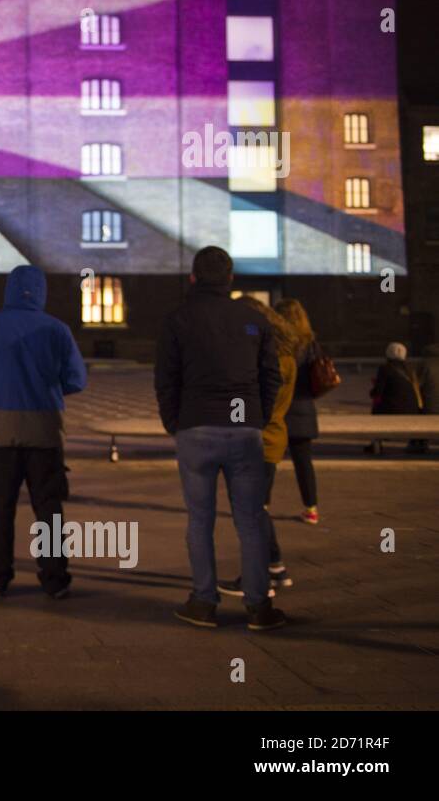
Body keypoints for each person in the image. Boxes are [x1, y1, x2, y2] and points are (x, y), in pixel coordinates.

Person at [154, 247, 285, 631]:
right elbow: (270, 376)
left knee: (200, 520)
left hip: (196, 426)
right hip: (243, 427)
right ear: (230, 279)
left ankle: (203, 601)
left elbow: (166, 379)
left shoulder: (178, 319)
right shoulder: (253, 319)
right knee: (251, 519)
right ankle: (259, 606)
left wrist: (175, 422)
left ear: (193, 278)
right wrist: (255, 418)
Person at [0, 265, 85, 600]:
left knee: (1, 505)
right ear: (41, 291)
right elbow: (77, 379)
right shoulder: (57, 329)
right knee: (49, 506)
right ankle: (55, 577)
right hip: (45, 427)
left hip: (0, 427)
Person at [218, 296, 298, 599]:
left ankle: (257, 580)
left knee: (249, 513)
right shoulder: (286, 354)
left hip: (257, 441)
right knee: (257, 509)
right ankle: (276, 568)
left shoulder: (265, 358)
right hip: (273, 437)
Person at [274, 299, 322, 524]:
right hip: (304, 408)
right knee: (304, 462)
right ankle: (311, 508)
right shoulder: (310, 342)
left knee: (268, 459)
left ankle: (261, 503)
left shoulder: (279, 341)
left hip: (280, 407)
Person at [369, 342, 426, 453]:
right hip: (412, 411)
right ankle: (416, 442)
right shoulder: (410, 370)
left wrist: (372, 391)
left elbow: (377, 392)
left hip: (391, 411)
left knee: (376, 408)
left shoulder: (385, 369)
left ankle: (376, 442)